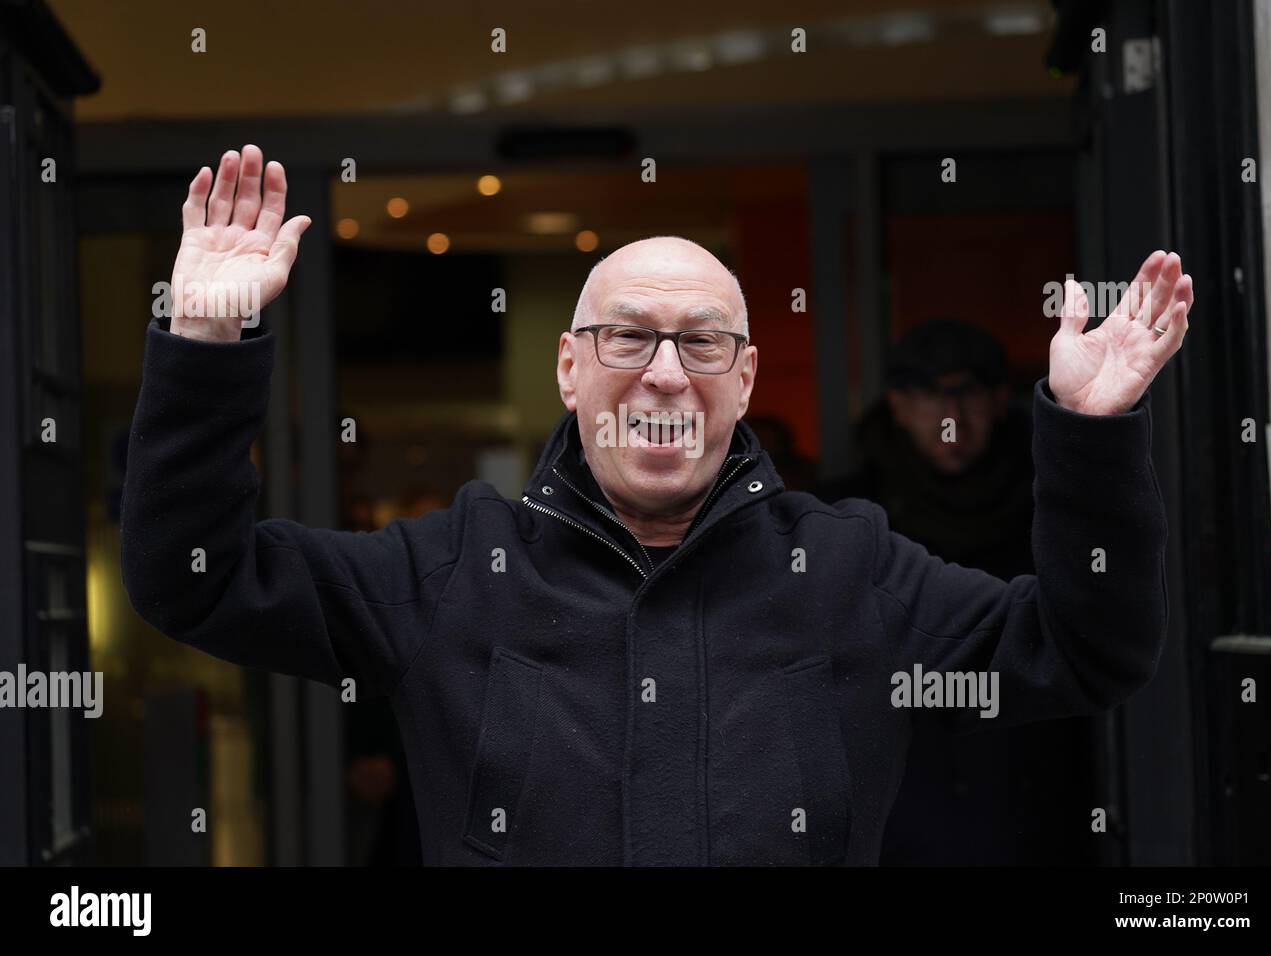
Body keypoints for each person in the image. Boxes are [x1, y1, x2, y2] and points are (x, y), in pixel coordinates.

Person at [121, 144, 1193, 865]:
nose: (665, 374)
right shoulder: (445, 571)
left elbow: (1084, 652)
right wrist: (206, 341)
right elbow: (193, 577)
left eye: (703, 344)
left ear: (744, 377)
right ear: (569, 369)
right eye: (627, 338)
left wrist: (1090, 436)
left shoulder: (853, 567)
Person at [820, 320, 1088, 864]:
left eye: (967, 394)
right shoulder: (844, 523)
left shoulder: (1051, 508)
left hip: (1035, 794)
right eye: (928, 397)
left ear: (996, 402)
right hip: (898, 802)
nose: (951, 420)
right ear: (897, 406)